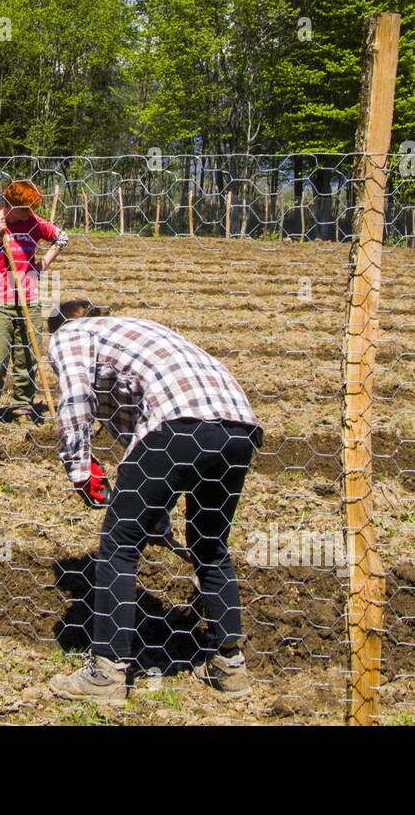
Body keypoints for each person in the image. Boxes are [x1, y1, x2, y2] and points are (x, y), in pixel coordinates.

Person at [44, 298, 263, 705]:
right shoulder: (136, 331)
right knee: (210, 547)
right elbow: (143, 432)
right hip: (238, 427)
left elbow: (75, 399)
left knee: (119, 545)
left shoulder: (70, 333)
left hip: (178, 424)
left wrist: (78, 467)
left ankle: (106, 674)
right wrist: (154, 510)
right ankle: (228, 666)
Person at [0, 179, 67, 423]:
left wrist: (43, 264)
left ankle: (22, 404)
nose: (31, 212)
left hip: (29, 300)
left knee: (27, 357)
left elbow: (61, 238)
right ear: (10, 205)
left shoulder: (35, 222)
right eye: (27, 207)